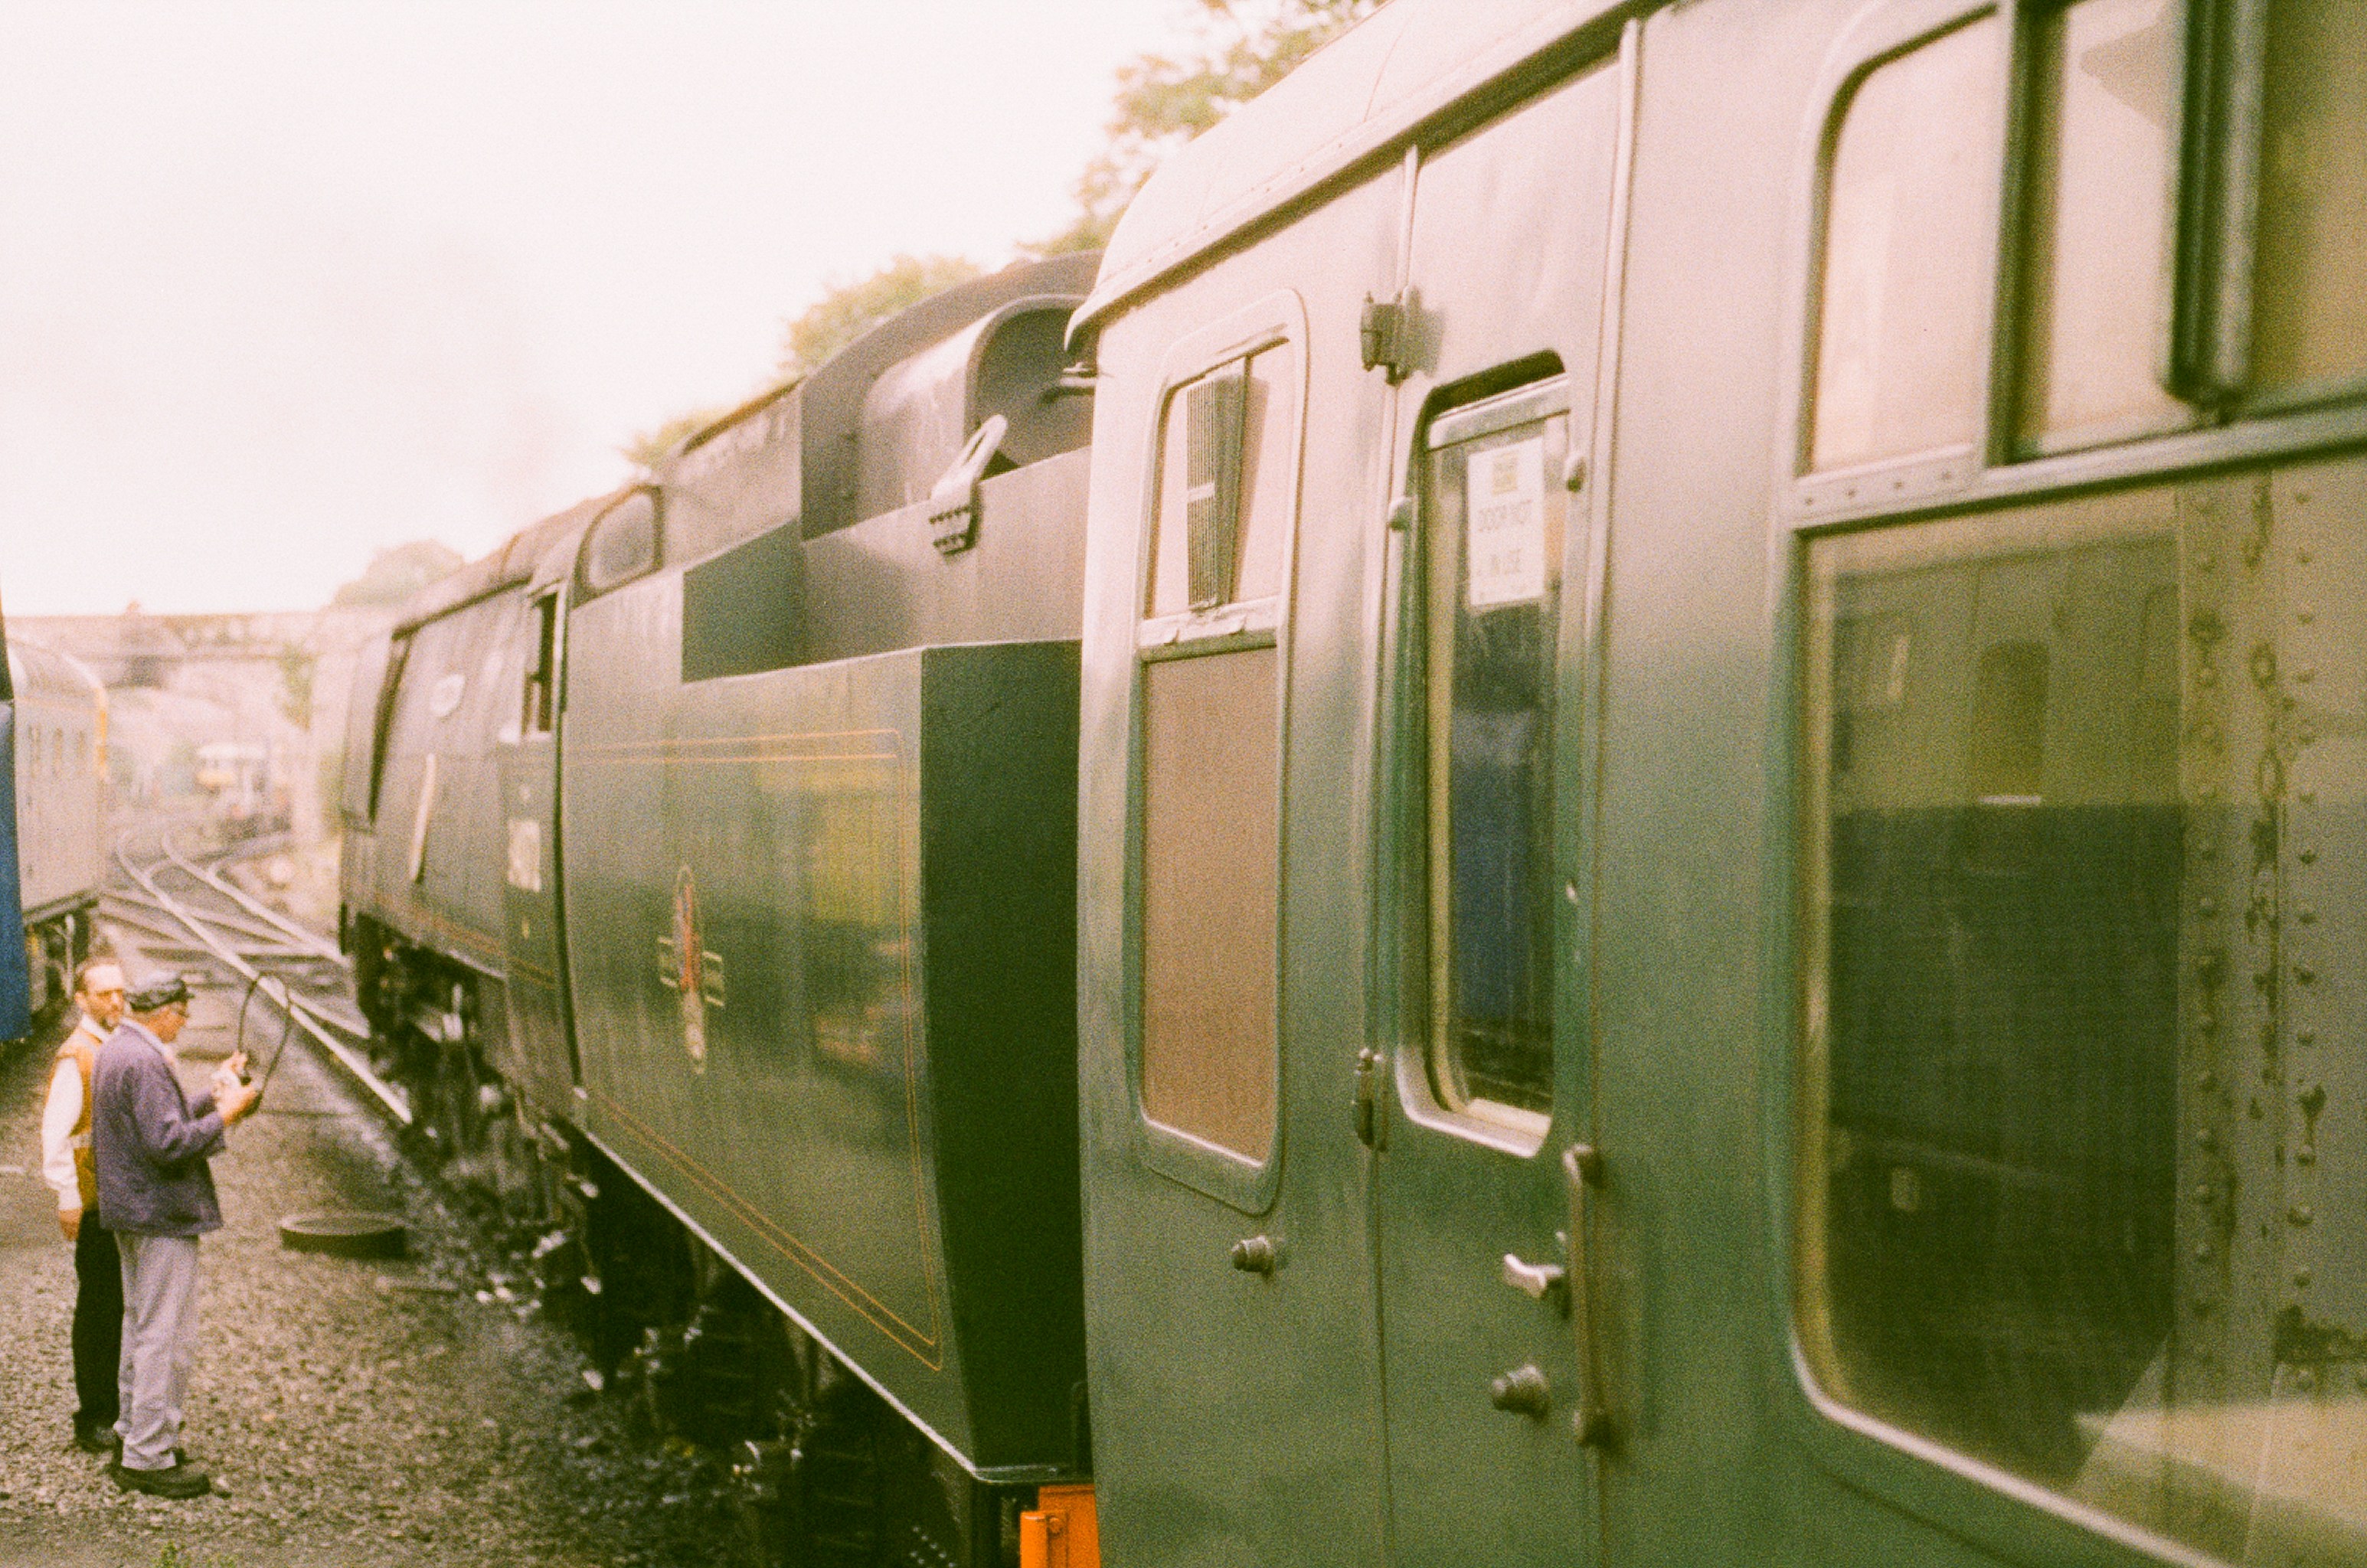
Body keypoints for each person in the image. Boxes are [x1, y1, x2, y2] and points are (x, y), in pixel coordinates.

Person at [90, 975, 257, 1500]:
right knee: (166, 1334)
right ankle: (148, 1457)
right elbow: (168, 1142)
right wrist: (229, 1113)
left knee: (139, 1325)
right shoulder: (144, 1060)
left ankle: (133, 1434)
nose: (184, 1023)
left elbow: (157, 1119)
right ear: (161, 1011)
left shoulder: (119, 1048)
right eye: (182, 1014)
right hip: (160, 1214)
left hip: (132, 1212)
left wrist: (212, 1091)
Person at [38, 958, 128, 1453]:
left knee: (115, 1307)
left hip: (115, 1201)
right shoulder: (78, 1056)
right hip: (93, 1205)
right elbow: (56, 1136)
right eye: (103, 995)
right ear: (81, 999)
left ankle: (114, 1405)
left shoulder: (110, 1045)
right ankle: (94, 1414)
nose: (115, 1002)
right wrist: (68, 1197)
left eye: (120, 992)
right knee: (98, 1310)